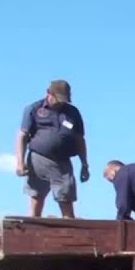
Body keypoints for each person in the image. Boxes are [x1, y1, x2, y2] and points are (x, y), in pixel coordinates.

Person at [16, 79, 88, 218]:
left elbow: (80, 139)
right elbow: (22, 136)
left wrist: (84, 164)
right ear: (49, 93)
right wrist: (20, 163)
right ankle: (34, 225)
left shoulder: (73, 112)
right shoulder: (33, 109)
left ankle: (69, 228)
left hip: (62, 162)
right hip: (38, 158)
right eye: (58, 99)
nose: (61, 103)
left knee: (66, 197)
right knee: (36, 196)